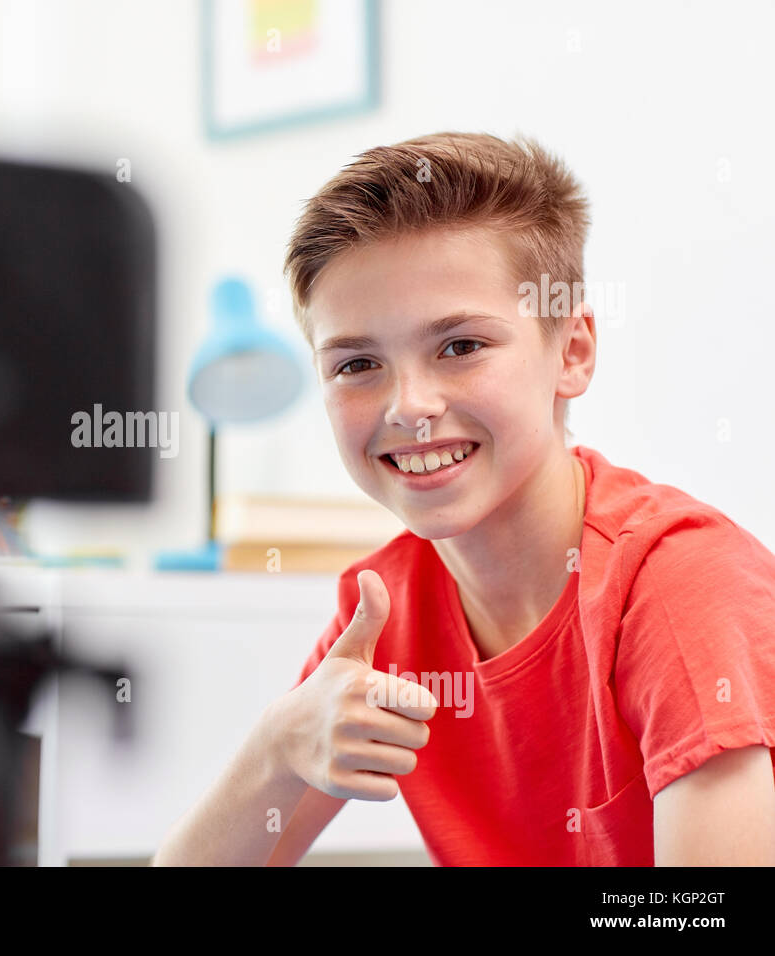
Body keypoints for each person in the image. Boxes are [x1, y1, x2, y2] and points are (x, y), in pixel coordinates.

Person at [152, 132, 775, 866]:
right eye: (357, 363)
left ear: (571, 352)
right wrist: (277, 751)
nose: (410, 406)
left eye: (460, 347)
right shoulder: (385, 614)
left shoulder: (675, 586)